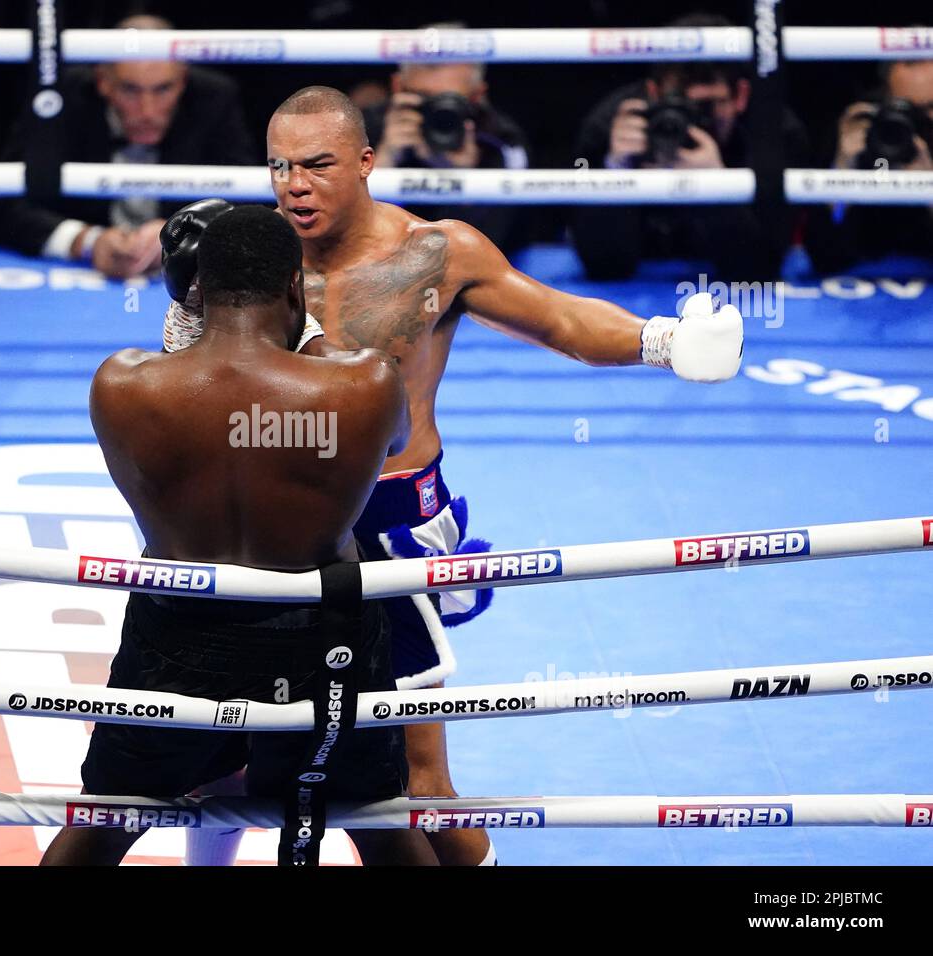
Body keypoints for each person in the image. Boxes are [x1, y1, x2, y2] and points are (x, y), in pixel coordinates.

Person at [163, 86, 743, 866]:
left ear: (367, 162)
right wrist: (185, 325)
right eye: (279, 167)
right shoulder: (251, 256)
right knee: (227, 753)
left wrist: (665, 341)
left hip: (389, 518)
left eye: (317, 166)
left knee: (415, 776)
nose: (293, 185)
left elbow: (561, 320)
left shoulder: (434, 254)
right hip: (273, 519)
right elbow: (197, 389)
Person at [41, 205, 435, 866]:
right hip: (322, 639)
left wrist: (189, 341)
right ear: (293, 288)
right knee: (378, 822)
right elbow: (396, 442)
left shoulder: (121, 385)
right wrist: (308, 342)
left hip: (177, 635)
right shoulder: (363, 386)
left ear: (195, 291)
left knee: (106, 819)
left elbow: (201, 415)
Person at [0, 14, 256, 279]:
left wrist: (187, 230)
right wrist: (84, 241)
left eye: (162, 89)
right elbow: (1, 201)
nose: (147, 111)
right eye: (130, 90)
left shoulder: (214, 98)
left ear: (183, 80)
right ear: (103, 81)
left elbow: (251, 198)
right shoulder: (62, 97)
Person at [570, 13, 810, 280]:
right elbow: (602, 267)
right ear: (653, 93)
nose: (692, 119)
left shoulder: (773, 134)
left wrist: (717, 188)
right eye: (679, 105)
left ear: (740, 96)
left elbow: (759, 271)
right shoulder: (610, 126)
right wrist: (617, 172)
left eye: (707, 106)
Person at [364, 24, 532, 252]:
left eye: (449, 100)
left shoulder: (502, 141)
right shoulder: (362, 129)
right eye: (422, 97)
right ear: (398, 87)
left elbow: (495, 252)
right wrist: (382, 163)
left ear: (477, 96)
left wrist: (465, 184)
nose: (436, 112)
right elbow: (344, 241)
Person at [803, 58, 933, 274]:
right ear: (886, 100)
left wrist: (928, 190)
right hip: (859, 285)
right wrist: (843, 169)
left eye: (930, 107)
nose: (918, 121)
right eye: (906, 108)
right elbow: (821, 256)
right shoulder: (863, 134)